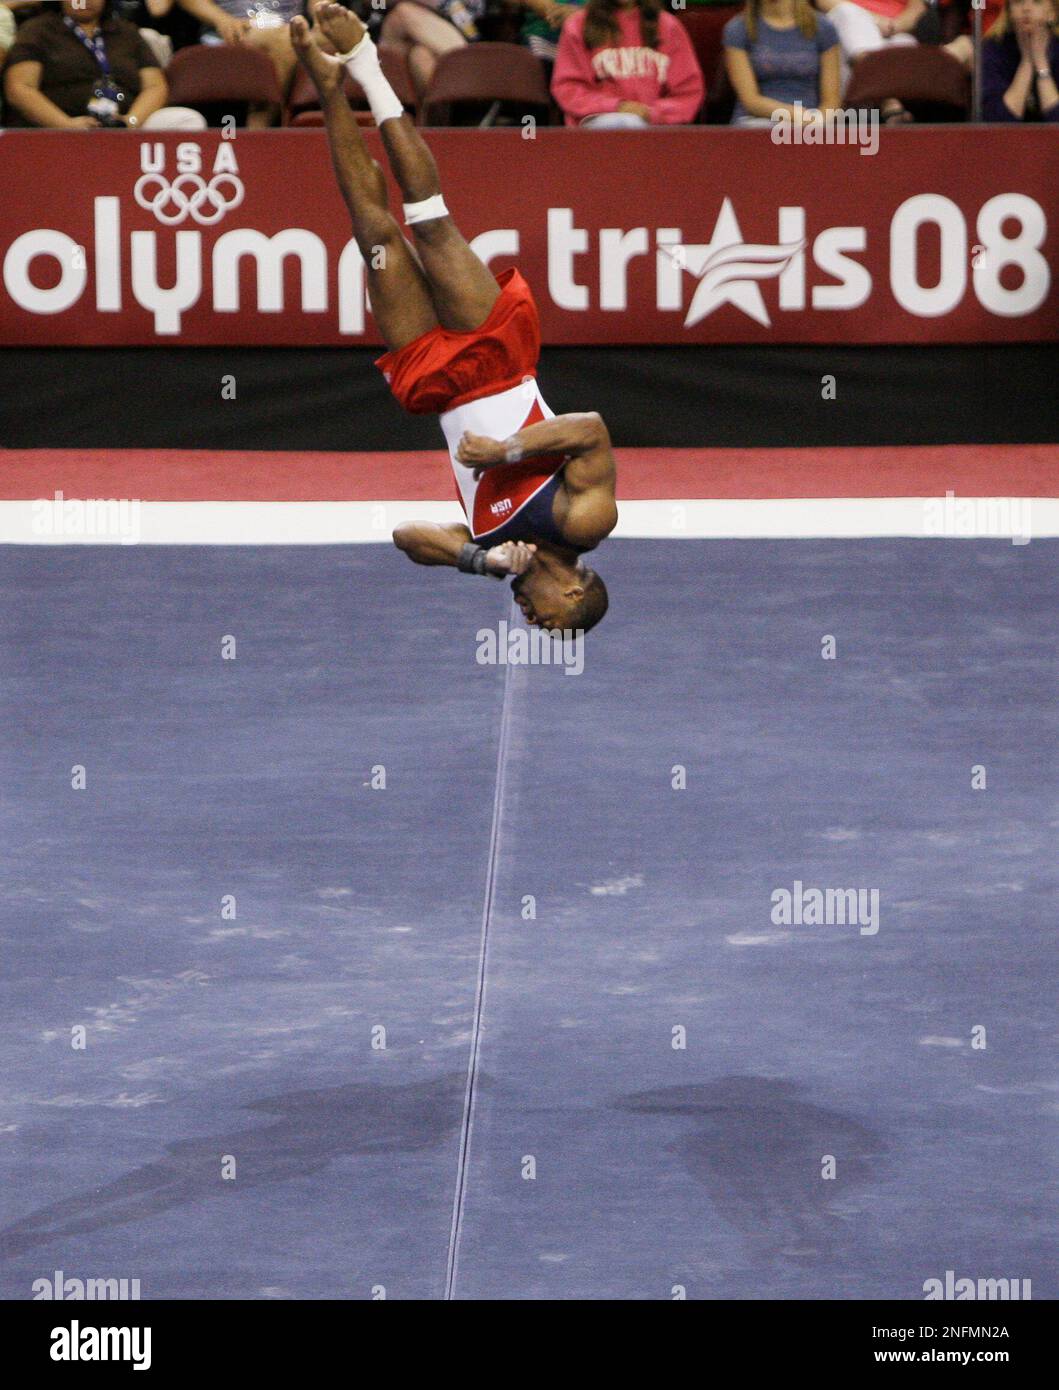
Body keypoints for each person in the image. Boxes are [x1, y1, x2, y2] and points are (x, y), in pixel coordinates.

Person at [291, 4, 617, 633]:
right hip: (496, 360)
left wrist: (481, 559)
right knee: (429, 220)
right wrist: (507, 449)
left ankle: (332, 91)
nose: (527, 617)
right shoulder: (586, 523)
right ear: (574, 596)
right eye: (546, 621)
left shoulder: (499, 551)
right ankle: (366, 62)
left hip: (437, 381)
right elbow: (591, 429)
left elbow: (406, 536)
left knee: (373, 232)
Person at [3, 0, 205, 128]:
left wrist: (130, 122)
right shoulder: (37, 30)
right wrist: (65, 125)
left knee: (186, 119)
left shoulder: (126, 32)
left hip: (126, 123)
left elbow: (155, 86)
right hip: (59, 125)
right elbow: (20, 88)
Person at [551, 0, 704, 127]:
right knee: (626, 122)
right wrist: (617, 106)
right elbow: (568, 88)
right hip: (596, 122)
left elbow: (688, 91)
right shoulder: (578, 25)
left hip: (658, 126)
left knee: (632, 123)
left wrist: (652, 113)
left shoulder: (668, 25)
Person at [724, 0, 841, 125]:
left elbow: (831, 101)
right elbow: (750, 101)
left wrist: (816, 121)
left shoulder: (823, 27)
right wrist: (796, 115)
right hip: (756, 120)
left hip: (811, 121)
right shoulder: (738, 29)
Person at [951, 0, 1058, 118]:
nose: (1026, 8)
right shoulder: (993, 49)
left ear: (1052, 11)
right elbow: (998, 122)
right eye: (1018, 2)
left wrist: (1041, 63)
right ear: (1009, 11)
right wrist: (1026, 63)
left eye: (1037, 2)